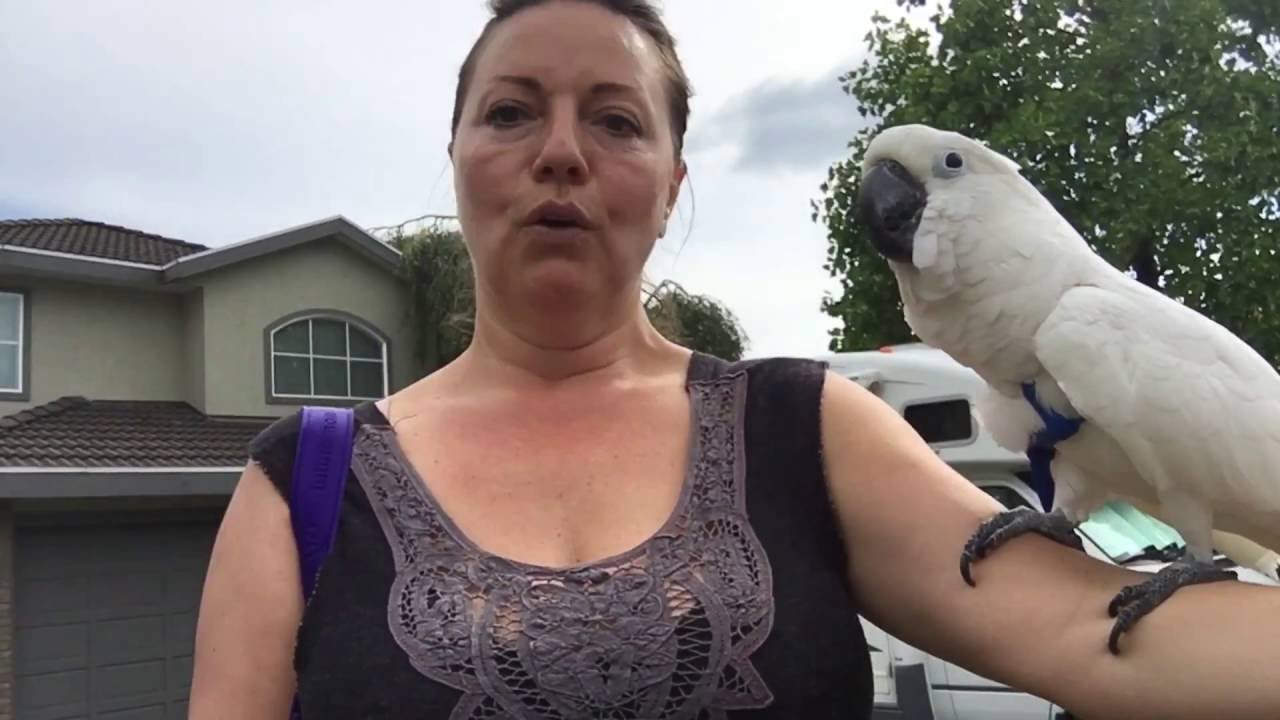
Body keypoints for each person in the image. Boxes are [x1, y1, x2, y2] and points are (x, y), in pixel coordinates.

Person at [188, 0, 1280, 718]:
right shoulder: (306, 483)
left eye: (614, 122)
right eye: (512, 112)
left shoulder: (808, 428)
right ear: (459, 160)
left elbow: (1100, 637)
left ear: (669, 186)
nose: (559, 152)